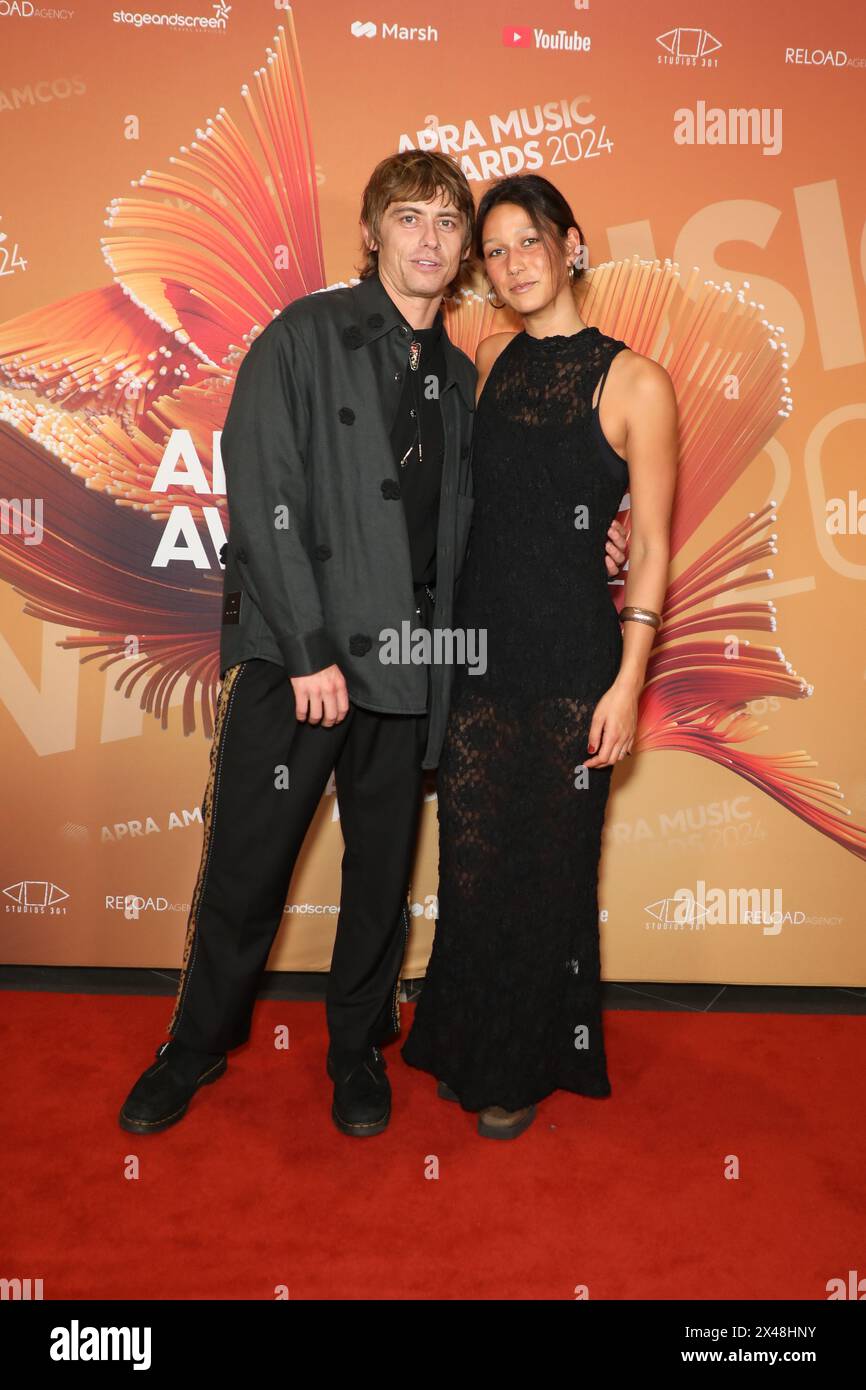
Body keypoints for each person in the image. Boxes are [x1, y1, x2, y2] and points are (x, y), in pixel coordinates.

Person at [118, 151, 628, 1140]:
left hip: (405, 673)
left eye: (448, 223)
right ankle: (192, 1046)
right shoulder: (302, 338)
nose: (431, 239)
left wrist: (598, 527)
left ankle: (355, 1049)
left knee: (378, 882)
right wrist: (307, 649)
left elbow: (500, 509)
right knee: (244, 871)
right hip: (294, 666)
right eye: (410, 218)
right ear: (371, 232)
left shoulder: (460, 375)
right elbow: (262, 495)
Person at [402, 174, 678, 1139]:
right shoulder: (489, 364)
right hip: (482, 651)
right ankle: (465, 1034)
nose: (515, 262)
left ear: (573, 245)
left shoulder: (636, 380)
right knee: (473, 857)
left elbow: (647, 545)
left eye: (530, 241)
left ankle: (518, 1062)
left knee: (546, 864)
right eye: (497, 249)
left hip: (572, 658)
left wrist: (630, 680)